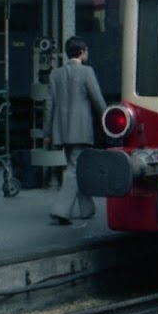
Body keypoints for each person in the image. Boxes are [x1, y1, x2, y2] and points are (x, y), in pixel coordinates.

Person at [46, 36, 106, 225]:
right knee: (74, 168)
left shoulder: (56, 74)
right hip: (81, 130)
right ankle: (61, 210)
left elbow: (49, 106)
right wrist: (107, 119)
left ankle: (87, 209)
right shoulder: (87, 72)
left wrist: (47, 132)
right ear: (82, 51)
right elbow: (97, 100)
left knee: (78, 166)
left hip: (62, 130)